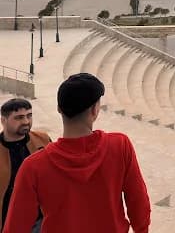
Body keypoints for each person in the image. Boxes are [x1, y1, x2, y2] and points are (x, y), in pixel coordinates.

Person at [4, 73, 151, 233]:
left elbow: (15, 227)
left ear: (59, 109)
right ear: (95, 110)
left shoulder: (33, 167)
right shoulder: (120, 146)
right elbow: (139, 205)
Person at [1, 98, 51, 232]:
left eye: (29, 115)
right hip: (8, 221)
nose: (26, 121)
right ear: (3, 120)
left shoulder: (43, 140)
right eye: (19, 117)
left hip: (40, 220)